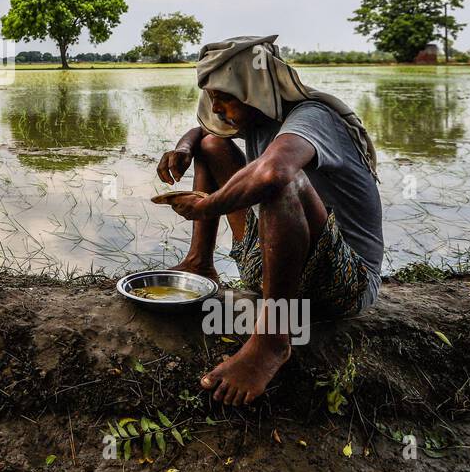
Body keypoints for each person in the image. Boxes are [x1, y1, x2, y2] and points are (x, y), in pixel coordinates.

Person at [154, 35, 383, 405]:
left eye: (226, 99)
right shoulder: (259, 120)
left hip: (346, 281)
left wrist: (208, 205)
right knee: (212, 146)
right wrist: (184, 147)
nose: (220, 110)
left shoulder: (313, 117)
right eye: (214, 101)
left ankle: (273, 340)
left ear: (255, 89)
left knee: (280, 179)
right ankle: (200, 263)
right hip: (274, 265)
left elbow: (275, 172)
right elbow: (203, 134)